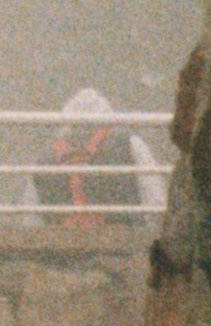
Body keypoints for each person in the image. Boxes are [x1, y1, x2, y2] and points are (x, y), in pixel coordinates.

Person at [34, 87, 144, 225]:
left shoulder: (46, 158)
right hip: (122, 236)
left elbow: (31, 215)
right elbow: (154, 194)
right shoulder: (128, 143)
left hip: (63, 239)